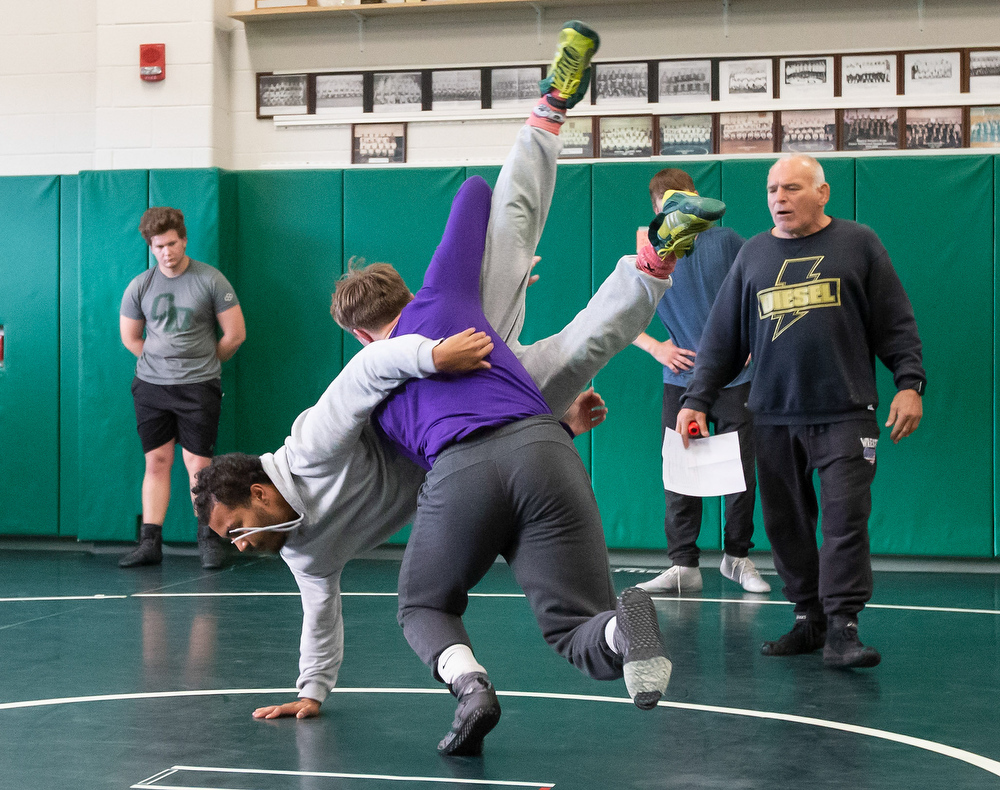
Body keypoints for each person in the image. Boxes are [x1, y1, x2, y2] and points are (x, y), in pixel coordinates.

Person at [194, 20, 721, 757]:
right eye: (231, 541)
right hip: (490, 416)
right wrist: (313, 690)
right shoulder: (303, 556)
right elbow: (321, 615)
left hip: (455, 388)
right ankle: (642, 251)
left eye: (234, 526)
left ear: (254, 490)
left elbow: (371, 371)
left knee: (533, 283)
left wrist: (433, 355)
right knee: (565, 322)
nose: (240, 542)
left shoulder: (321, 432)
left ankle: (555, 123)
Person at [676, 154, 925, 668]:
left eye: (791, 188)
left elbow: (896, 323)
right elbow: (721, 340)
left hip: (846, 413)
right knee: (786, 524)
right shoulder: (752, 256)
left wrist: (909, 383)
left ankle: (843, 628)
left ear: (822, 192)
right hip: (772, 416)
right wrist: (696, 399)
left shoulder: (860, 244)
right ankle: (807, 619)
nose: (779, 199)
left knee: (843, 522)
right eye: (772, 190)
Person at [631, 168, 770, 595]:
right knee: (680, 471)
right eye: (668, 204)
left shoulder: (727, 241)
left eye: (686, 199)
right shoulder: (649, 253)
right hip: (679, 380)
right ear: (657, 209)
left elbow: (764, 290)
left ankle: (737, 558)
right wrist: (657, 348)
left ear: (698, 201)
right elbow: (619, 315)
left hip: (736, 377)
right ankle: (683, 566)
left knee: (741, 473)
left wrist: (752, 341)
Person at [119, 207, 246, 570]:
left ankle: (208, 540)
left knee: (199, 466)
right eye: (158, 246)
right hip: (151, 388)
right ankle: (150, 543)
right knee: (156, 462)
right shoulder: (140, 285)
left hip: (198, 388)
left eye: (172, 244)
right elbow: (130, 337)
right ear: (151, 247)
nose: (167, 252)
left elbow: (235, 334)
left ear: (184, 240)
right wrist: (162, 364)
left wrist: (203, 365)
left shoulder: (211, 280)